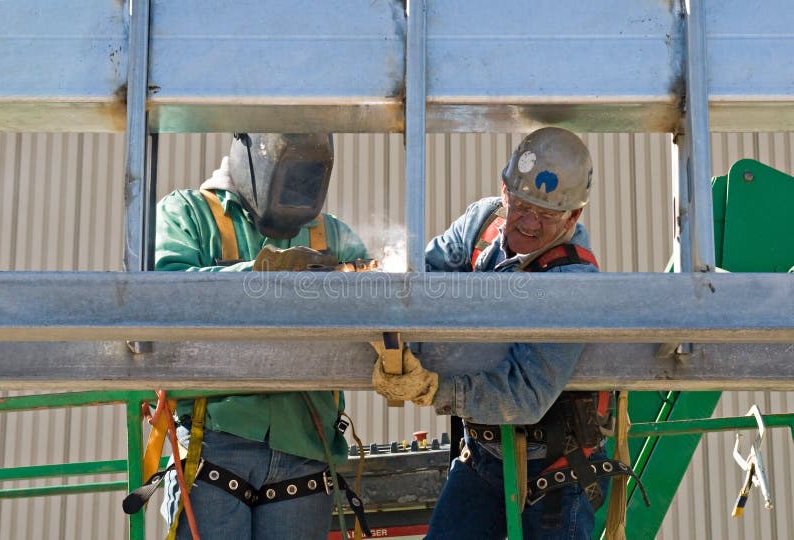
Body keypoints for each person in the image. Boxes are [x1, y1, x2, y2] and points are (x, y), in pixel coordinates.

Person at [372, 127, 638, 539]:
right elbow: (424, 283)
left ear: (573, 216)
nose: (529, 224)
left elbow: (526, 396)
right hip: (483, 456)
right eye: (521, 205)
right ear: (504, 191)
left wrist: (434, 389)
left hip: (557, 468)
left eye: (547, 215)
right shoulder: (482, 224)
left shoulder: (572, 280)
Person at [154, 133, 369, 539]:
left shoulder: (332, 235)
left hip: (305, 447)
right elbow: (166, 295)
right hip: (215, 443)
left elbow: (379, 301)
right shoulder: (189, 214)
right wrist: (257, 274)